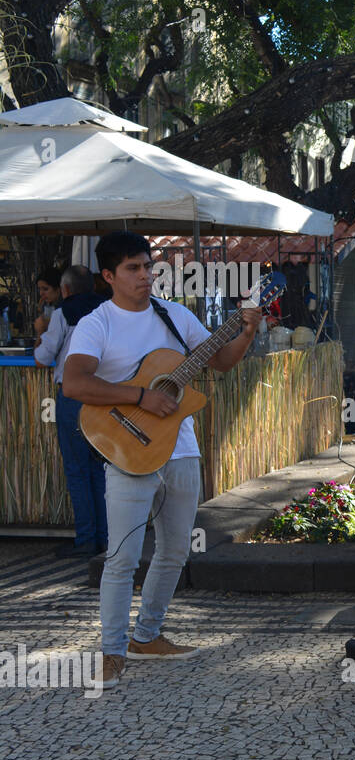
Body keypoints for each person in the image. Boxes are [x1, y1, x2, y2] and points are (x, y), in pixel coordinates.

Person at [62, 230, 262, 690]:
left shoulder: (173, 315)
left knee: (174, 551)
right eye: (133, 268)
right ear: (109, 275)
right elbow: (74, 384)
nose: (145, 276)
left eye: (148, 266)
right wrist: (140, 396)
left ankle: (146, 636)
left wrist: (246, 329)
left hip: (182, 449)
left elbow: (222, 361)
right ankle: (112, 652)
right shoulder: (98, 323)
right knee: (123, 556)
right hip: (127, 451)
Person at [33, 265, 107, 557]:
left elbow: (42, 358)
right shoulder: (109, 310)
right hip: (105, 395)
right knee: (100, 467)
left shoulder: (63, 314)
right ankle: (106, 537)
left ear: (65, 290)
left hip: (73, 396)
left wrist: (40, 333)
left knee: (77, 470)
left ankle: (86, 539)